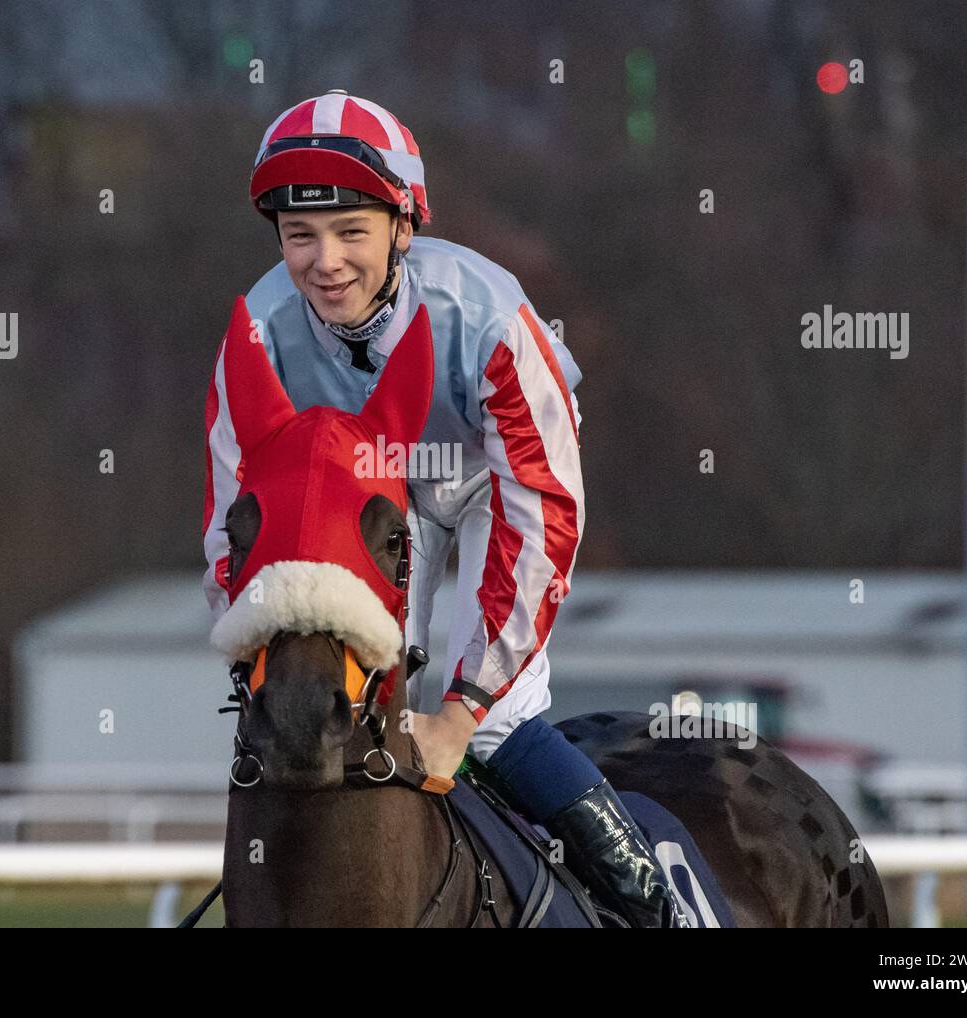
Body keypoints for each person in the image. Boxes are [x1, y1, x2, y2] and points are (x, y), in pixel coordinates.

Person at [202, 90, 688, 927]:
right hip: (381, 519)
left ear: (403, 226)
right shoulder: (259, 337)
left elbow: (542, 513)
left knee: (492, 724)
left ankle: (658, 909)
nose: (325, 262)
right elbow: (232, 533)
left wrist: (462, 710)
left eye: (351, 231)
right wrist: (259, 664)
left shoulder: (488, 318)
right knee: (341, 710)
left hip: (501, 494)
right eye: (299, 235)